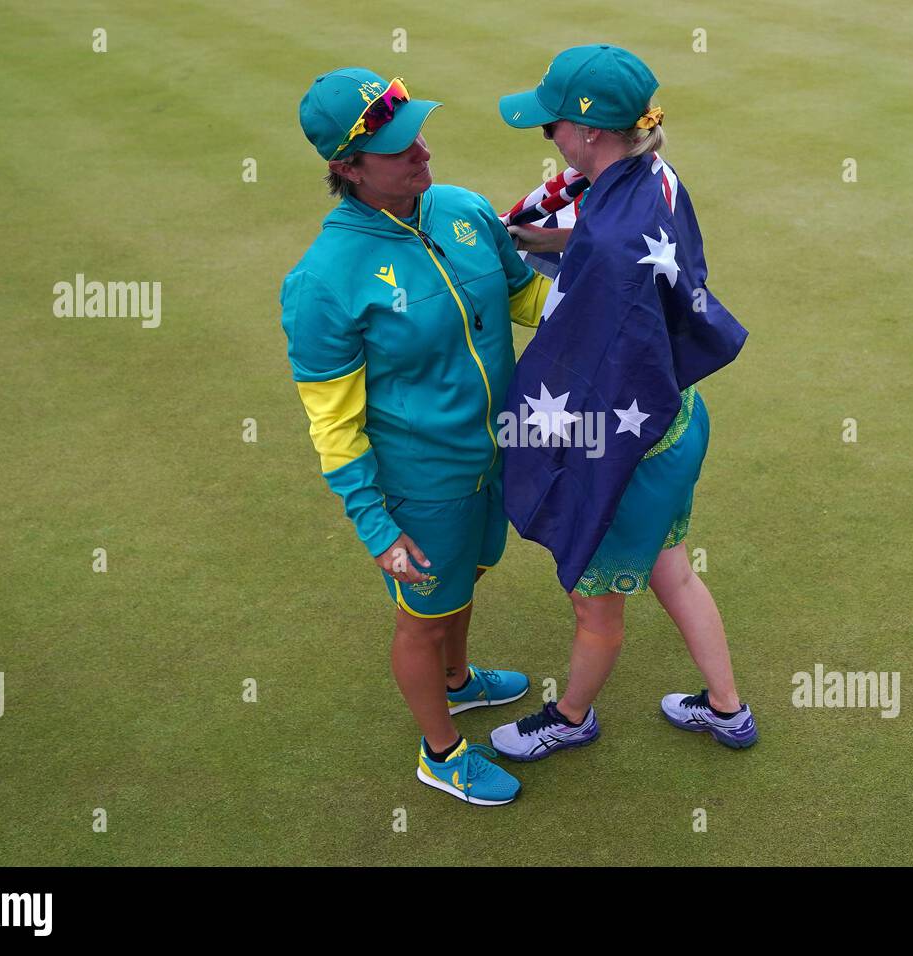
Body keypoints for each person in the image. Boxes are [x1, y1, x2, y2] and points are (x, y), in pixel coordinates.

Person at [280, 68, 553, 804]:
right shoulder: (325, 280)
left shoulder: (461, 208)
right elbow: (332, 423)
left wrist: (602, 291)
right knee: (422, 619)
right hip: (420, 484)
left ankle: (459, 683)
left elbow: (525, 295)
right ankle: (440, 752)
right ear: (348, 169)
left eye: (419, 133)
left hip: (494, 454)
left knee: (466, 582)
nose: (423, 151)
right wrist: (376, 525)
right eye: (399, 149)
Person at [488, 45, 759, 762]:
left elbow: (578, 363)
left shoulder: (611, 236)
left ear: (590, 133)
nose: (549, 140)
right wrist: (536, 238)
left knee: (595, 605)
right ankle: (727, 710)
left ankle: (572, 716)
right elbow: (606, 240)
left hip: (629, 456)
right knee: (674, 570)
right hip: (678, 426)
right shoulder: (654, 173)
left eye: (552, 128)